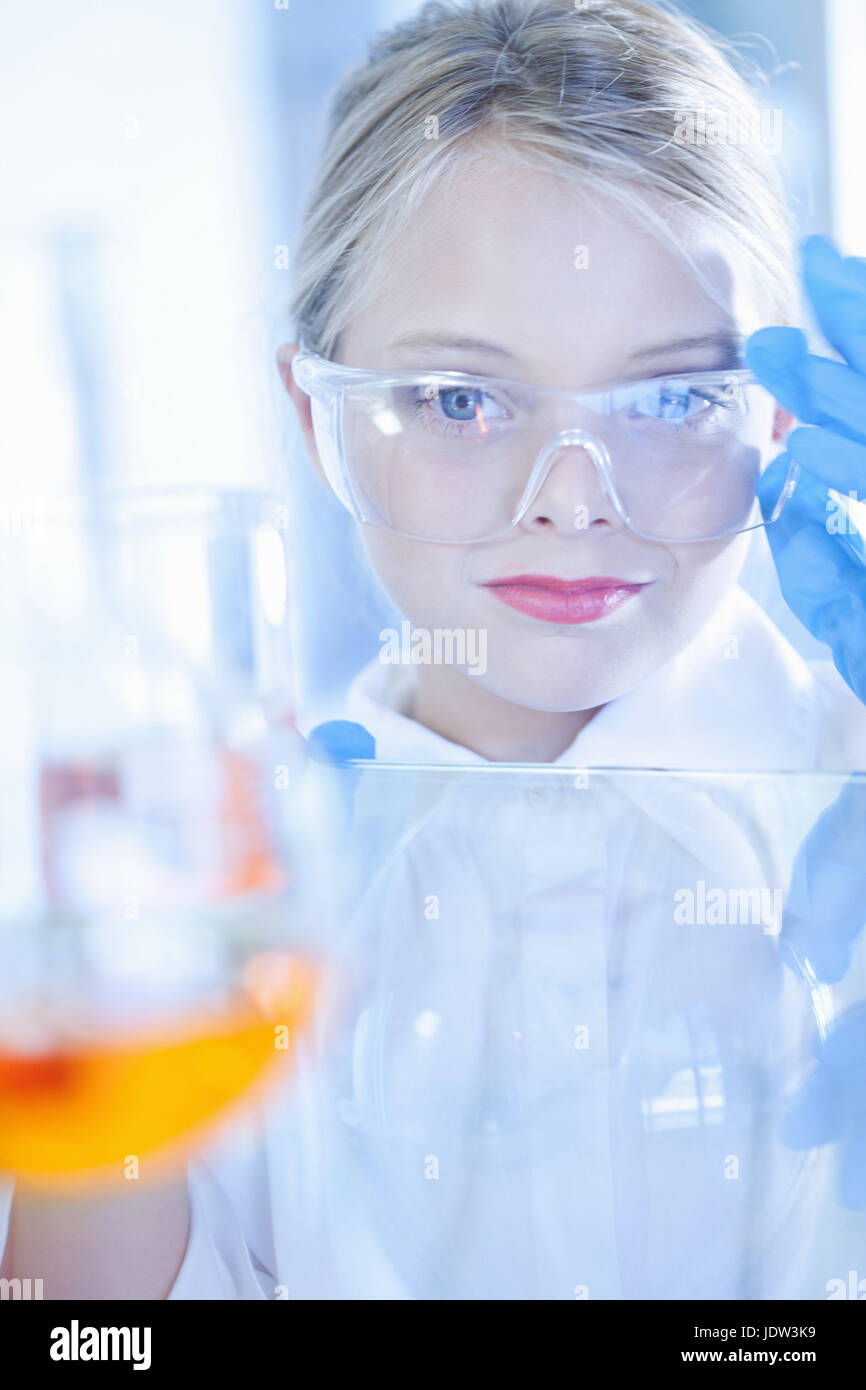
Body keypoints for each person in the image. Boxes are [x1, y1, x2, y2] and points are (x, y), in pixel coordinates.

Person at [4, 0, 866, 1299]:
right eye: (461, 400)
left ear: (779, 413)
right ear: (318, 416)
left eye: (672, 396)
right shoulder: (246, 901)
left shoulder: (843, 806)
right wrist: (113, 1009)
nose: (568, 500)